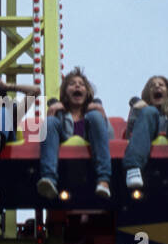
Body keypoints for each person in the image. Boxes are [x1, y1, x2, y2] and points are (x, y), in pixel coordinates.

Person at [37, 69, 112, 202]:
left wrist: (102, 115)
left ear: (87, 92)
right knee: (50, 121)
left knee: (95, 116)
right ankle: (49, 178)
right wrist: (50, 114)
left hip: (91, 146)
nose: (77, 86)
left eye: (81, 84)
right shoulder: (60, 114)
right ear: (65, 92)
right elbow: (47, 136)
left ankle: (103, 180)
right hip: (65, 143)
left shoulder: (94, 113)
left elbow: (110, 138)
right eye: (72, 83)